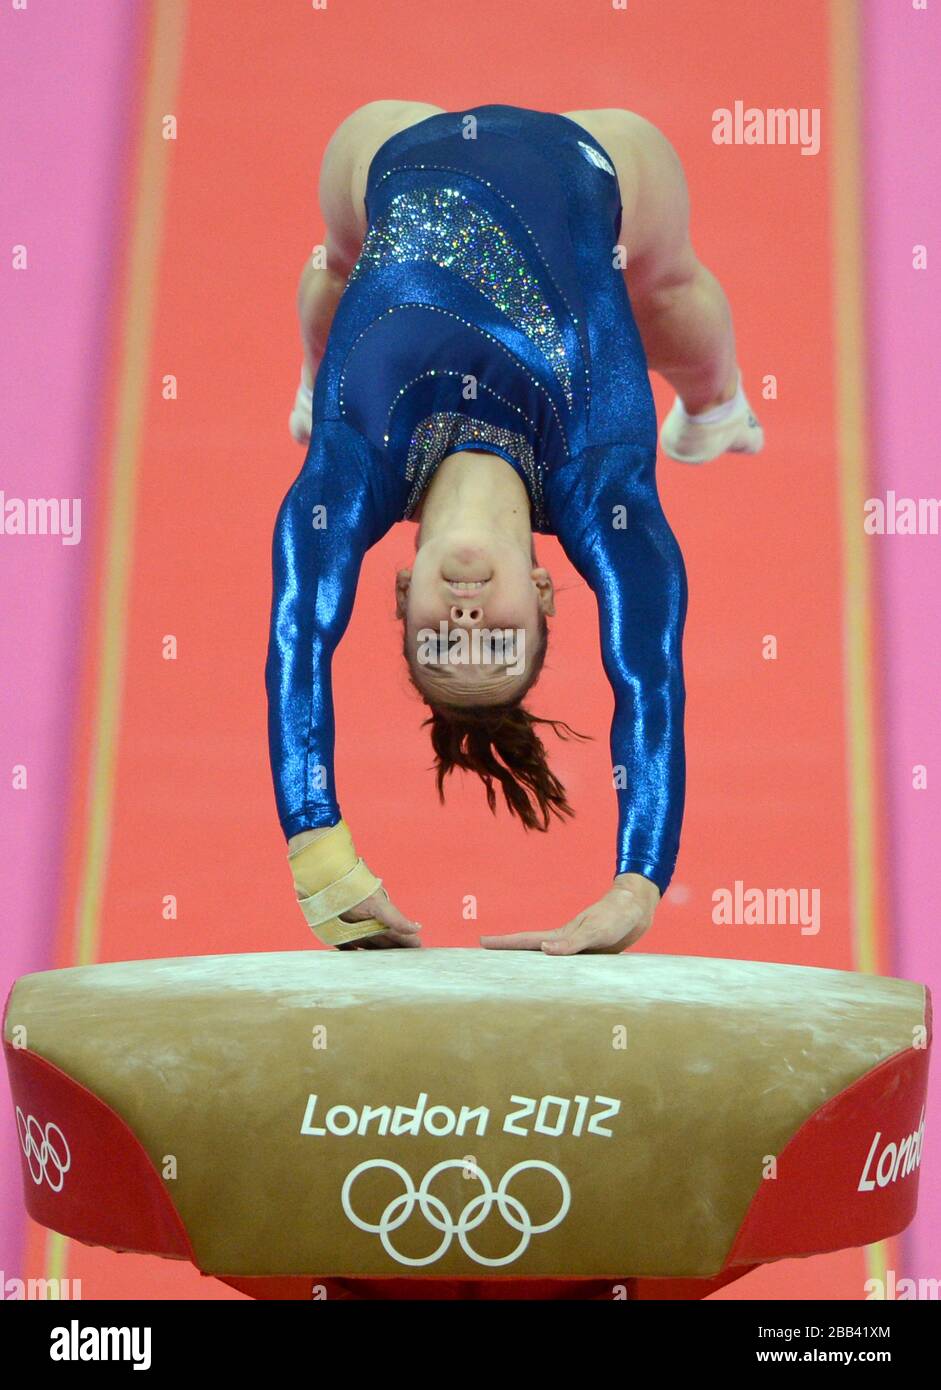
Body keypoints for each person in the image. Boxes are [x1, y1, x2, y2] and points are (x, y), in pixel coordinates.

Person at [267, 101, 763, 953]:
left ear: (399, 593)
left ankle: (315, 380)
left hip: (392, 145)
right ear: (544, 593)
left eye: (438, 640)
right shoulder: (598, 481)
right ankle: (717, 407)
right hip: (594, 156)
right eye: (497, 640)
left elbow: (297, 644)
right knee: (666, 291)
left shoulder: (349, 476)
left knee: (341, 262)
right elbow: (649, 679)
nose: (466, 619)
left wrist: (320, 853)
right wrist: (638, 882)